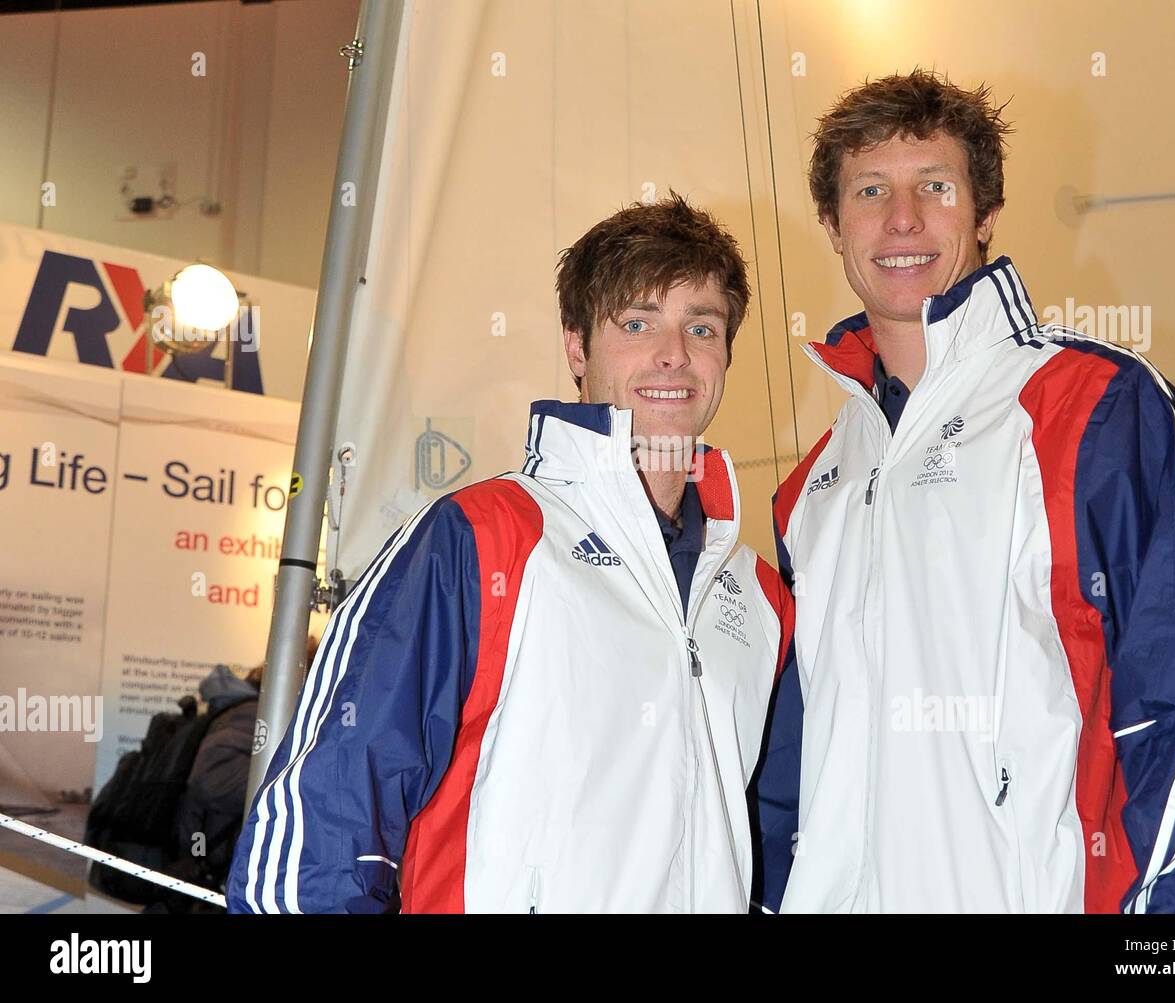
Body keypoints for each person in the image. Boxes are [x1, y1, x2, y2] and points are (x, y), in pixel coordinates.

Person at [754, 70, 1175, 913]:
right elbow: (788, 771)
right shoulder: (812, 486)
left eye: (935, 185)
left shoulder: (1095, 406)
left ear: (985, 210)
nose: (903, 219)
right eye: (869, 190)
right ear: (832, 224)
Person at [226, 193, 793, 913]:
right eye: (638, 321)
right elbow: (327, 815)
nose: (673, 354)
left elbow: (783, 845)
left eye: (701, 326)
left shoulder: (761, 599)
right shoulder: (480, 537)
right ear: (577, 347)